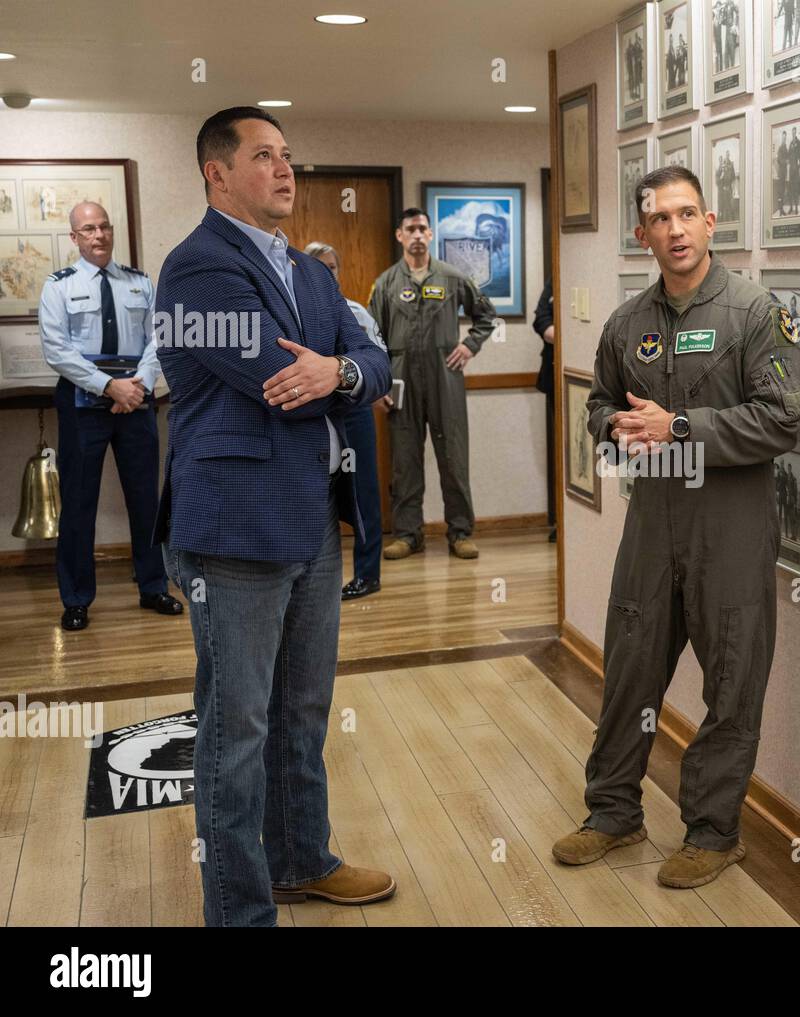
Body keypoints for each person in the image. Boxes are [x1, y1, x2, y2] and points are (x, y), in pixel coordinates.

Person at [153, 106, 394, 926]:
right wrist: (336, 373)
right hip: (234, 534)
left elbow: (372, 354)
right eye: (264, 156)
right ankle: (242, 912)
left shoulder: (312, 272)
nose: (286, 170)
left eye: (289, 155)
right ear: (217, 174)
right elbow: (274, 375)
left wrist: (341, 372)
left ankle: (300, 859)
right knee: (237, 731)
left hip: (309, 525)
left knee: (302, 709)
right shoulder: (195, 270)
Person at [550, 165, 800, 888]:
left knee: (731, 685)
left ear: (710, 222)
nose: (676, 229)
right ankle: (612, 812)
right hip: (652, 527)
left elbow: (783, 417)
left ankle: (713, 832)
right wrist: (616, 430)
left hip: (731, 528)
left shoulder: (755, 312)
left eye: (687, 214)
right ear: (643, 234)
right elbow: (597, 406)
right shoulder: (628, 323)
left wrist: (680, 426)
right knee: (630, 673)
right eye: (660, 219)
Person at [37, 200, 184, 631]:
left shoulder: (139, 283)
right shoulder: (58, 286)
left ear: (112, 231)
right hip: (83, 405)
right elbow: (57, 349)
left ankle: (154, 586)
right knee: (79, 504)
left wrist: (135, 384)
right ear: (74, 237)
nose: (98, 235)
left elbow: (159, 337)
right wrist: (109, 386)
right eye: (88, 230)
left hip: (135, 402)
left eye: (103, 227)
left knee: (145, 500)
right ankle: (77, 598)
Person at [369, 208, 497, 561]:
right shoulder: (386, 284)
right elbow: (370, 338)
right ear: (399, 235)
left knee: (454, 457)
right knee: (404, 460)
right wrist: (379, 383)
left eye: (422, 228)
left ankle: (460, 532)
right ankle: (408, 535)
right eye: (410, 228)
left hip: (445, 379)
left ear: (430, 234)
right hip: (400, 381)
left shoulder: (452, 277)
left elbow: (486, 314)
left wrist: (469, 345)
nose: (417, 235)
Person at [304, 241, 391, 599]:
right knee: (312, 492)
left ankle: (367, 574)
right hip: (311, 412)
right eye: (318, 267)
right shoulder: (297, 312)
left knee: (363, 493)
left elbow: (378, 358)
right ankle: (309, 577)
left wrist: (379, 388)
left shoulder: (356, 312)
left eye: (331, 267)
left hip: (353, 410)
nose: (326, 274)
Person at [533, 281, 557, 542]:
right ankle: (562, 521)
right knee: (562, 450)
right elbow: (540, 317)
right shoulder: (555, 281)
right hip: (554, 374)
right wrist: (553, 332)